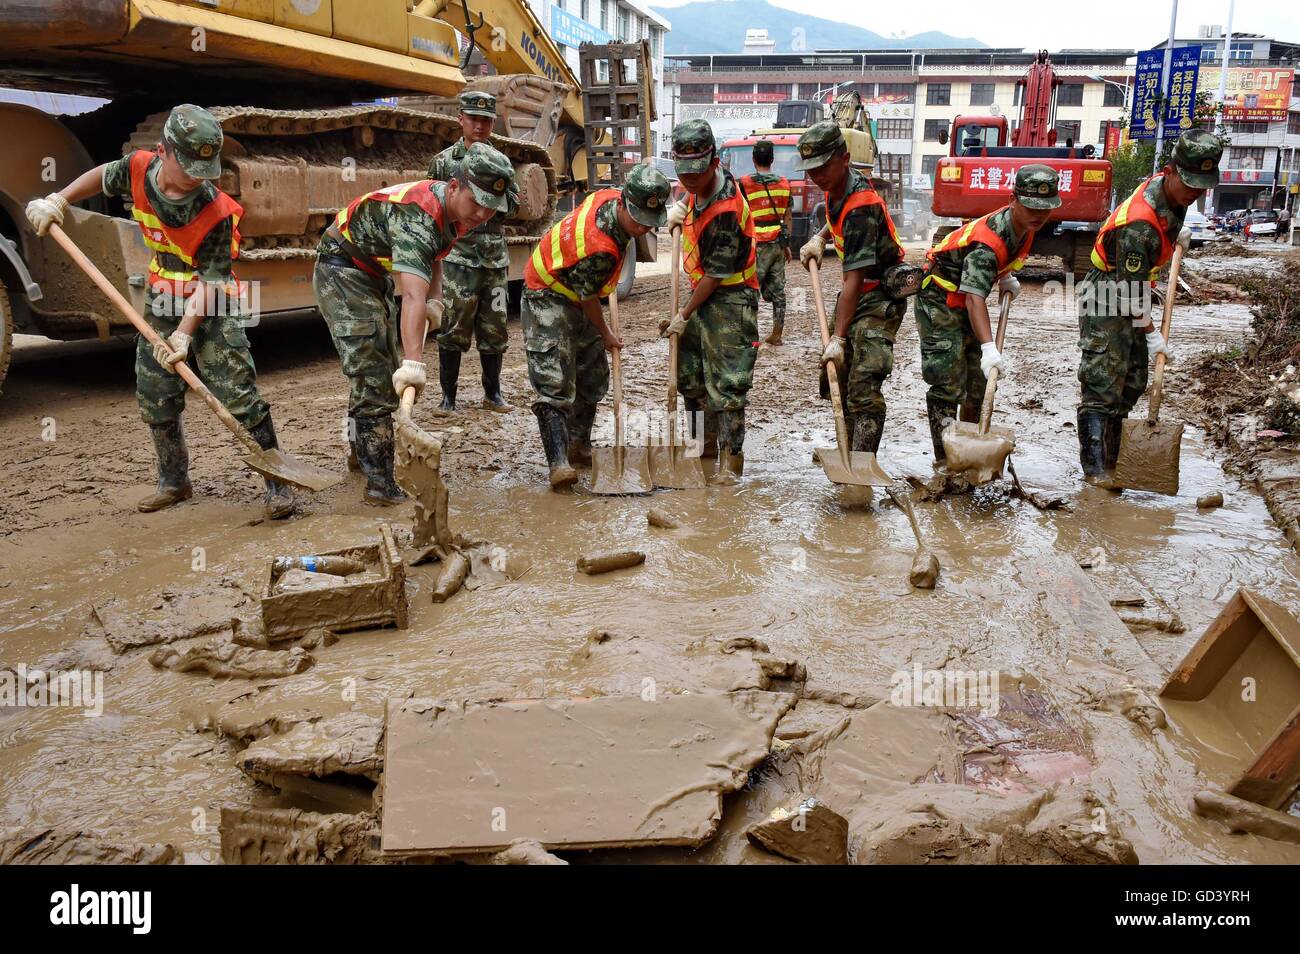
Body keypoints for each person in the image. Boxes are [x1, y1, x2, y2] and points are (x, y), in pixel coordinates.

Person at [25, 104, 295, 519]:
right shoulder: (137, 168)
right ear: (163, 150)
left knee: (237, 391)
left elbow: (213, 280)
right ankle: (174, 481)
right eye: (186, 165)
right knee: (155, 392)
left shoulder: (216, 211)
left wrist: (185, 334)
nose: (195, 177)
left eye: (204, 169)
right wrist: (58, 201)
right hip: (161, 297)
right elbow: (103, 175)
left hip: (212, 305)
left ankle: (279, 482)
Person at [315, 142, 515, 504]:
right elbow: (410, 295)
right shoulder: (417, 215)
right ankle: (379, 486)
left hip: (370, 272)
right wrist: (414, 363)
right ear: (454, 187)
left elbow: (433, 257)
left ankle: (360, 456)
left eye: (491, 208)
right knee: (376, 374)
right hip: (342, 270)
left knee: (375, 366)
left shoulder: (454, 212)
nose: (482, 214)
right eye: (477, 202)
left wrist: (436, 300)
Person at [1076, 128, 1221, 486]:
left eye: (1202, 186)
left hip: (1133, 285)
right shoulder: (1139, 225)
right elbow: (1128, 295)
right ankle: (1096, 474)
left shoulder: (1172, 196)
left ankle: (1115, 459)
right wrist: (1153, 334)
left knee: (1134, 378)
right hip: (1108, 292)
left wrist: (1174, 235)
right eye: (1190, 185)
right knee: (1103, 382)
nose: (1195, 193)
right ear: (1170, 171)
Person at [522, 164, 670, 488]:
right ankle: (559, 464)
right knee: (554, 379)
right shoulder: (600, 246)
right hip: (547, 290)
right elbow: (589, 298)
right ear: (623, 204)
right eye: (639, 220)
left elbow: (590, 293)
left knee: (593, 375)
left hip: (577, 289)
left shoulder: (612, 197)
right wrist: (606, 335)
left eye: (649, 222)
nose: (644, 228)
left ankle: (579, 444)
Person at [914, 164, 1060, 468]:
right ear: (1013, 200)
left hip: (964, 296)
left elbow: (989, 274)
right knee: (947, 381)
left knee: (978, 383)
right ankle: (946, 460)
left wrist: (1004, 275)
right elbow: (974, 298)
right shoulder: (987, 244)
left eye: (1044, 209)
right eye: (1031, 206)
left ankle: (969, 452)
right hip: (939, 299)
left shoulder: (1023, 229)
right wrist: (988, 347)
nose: (1038, 214)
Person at [796, 121, 906, 457]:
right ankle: (846, 449)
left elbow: (854, 281)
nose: (817, 176)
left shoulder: (861, 204)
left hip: (880, 295)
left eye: (823, 167)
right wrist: (821, 237)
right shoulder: (837, 186)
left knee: (864, 382)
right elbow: (835, 218)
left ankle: (861, 463)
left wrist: (839, 339)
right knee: (836, 378)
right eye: (812, 169)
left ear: (843, 158)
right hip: (857, 291)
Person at [664, 119, 760, 481]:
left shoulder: (725, 209)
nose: (690, 180)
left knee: (728, 385)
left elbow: (717, 275)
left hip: (731, 298)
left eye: (696, 173)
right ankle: (700, 449)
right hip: (701, 292)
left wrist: (684, 314)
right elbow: (694, 190)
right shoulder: (698, 187)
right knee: (690, 377)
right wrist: (683, 204)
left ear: (714, 161)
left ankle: (730, 464)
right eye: (683, 173)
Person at [426, 91, 519, 414]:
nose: (479, 125)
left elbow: (516, 202)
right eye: (473, 118)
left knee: (495, 326)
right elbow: (431, 204)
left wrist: (490, 205)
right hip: (457, 256)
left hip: (493, 255)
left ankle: (492, 394)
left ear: (493, 123)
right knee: (452, 325)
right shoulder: (443, 162)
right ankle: (447, 397)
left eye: (486, 120)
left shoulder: (500, 163)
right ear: (460, 119)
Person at [737, 139, 792, 345]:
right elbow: (787, 216)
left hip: (755, 244)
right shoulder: (784, 183)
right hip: (777, 243)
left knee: (752, 289)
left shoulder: (744, 183)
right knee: (778, 291)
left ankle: (750, 335)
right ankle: (777, 333)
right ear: (772, 159)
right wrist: (786, 245)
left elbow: (739, 215)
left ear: (753, 159)